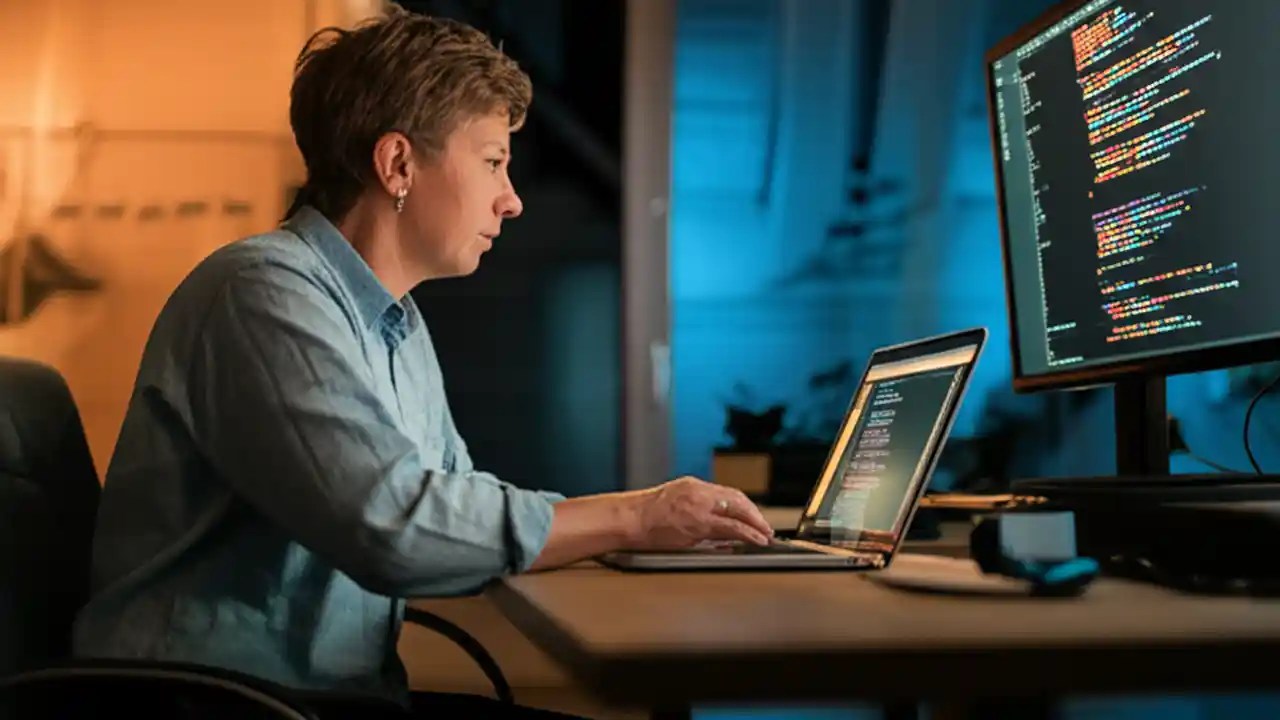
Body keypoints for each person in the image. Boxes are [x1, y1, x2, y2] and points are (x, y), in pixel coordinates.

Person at [71, 6, 774, 719]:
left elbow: (449, 499)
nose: (513, 200)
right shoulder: (261, 294)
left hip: (317, 697)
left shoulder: (393, 321)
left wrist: (641, 522)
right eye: (494, 161)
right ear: (398, 163)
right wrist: (631, 517)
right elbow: (395, 529)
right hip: (216, 704)